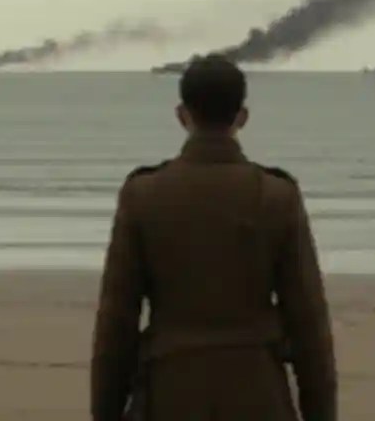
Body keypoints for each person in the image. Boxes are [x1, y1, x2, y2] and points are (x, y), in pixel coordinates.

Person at [90, 54, 337, 421]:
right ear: (242, 117)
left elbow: (116, 324)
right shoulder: (276, 195)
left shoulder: (143, 194)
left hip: (169, 394)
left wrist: (106, 413)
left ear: (182, 115)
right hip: (259, 395)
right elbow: (309, 326)